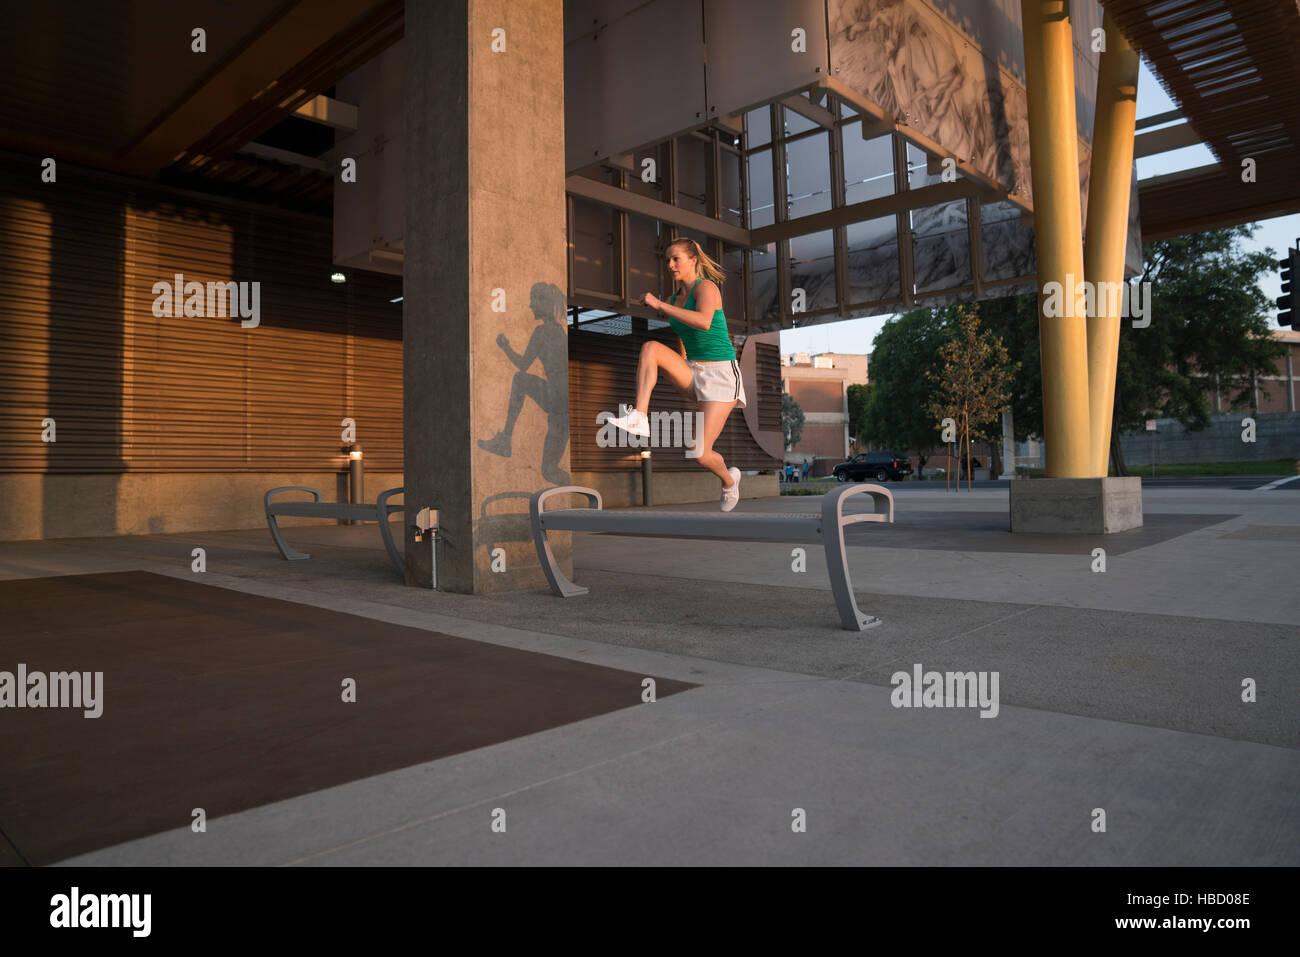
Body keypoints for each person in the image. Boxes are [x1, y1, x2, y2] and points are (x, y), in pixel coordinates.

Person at [607, 238, 746, 511]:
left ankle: (730, 481)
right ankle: (639, 417)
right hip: (695, 370)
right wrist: (682, 362)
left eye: (676, 259)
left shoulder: (706, 288)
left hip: (721, 376)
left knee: (700, 452)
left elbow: (704, 322)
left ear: (693, 260)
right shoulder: (676, 299)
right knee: (651, 348)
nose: (670, 265)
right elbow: (683, 330)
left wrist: (660, 305)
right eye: (667, 260)